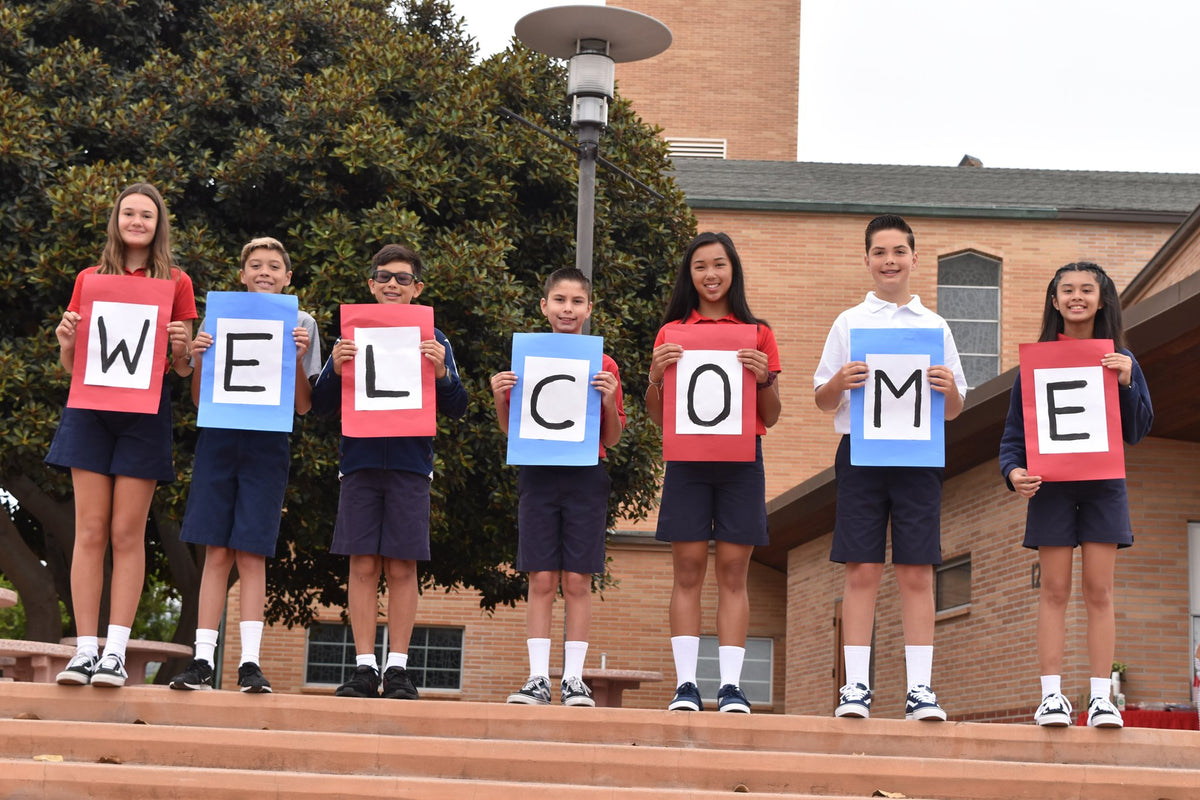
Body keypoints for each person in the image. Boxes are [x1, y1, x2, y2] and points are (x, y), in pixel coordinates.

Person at [813, 214, 966, 721]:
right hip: (861, 454)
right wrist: (840, 381)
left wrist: (949, 391)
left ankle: (920, 689)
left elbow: (954, 407)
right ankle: (855, 687)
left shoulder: (935, 325)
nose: (890, 261)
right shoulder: (848, 322)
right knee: (862, 569)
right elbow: (820, 398)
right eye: (880, 252)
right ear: (867, 260)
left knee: (917, 570)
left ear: (914, 259)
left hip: (918, 456)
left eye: (899, 251)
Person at [49, 183, 197, 688]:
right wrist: (66, 342)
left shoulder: (177, 281)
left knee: (127, 533)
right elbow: (74, 366)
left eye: (147, 215)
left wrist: (184, 348)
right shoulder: (89, 279)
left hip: (144, 412)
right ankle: (84, 650)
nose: (137, 221)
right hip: (89, 411)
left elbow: (179, 371)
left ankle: (115, 651)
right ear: (116, 220)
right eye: (129, 213)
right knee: (89, 530)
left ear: (159, 225)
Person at [999, 262, 1152, 729]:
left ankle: (1102, 699)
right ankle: (1051, 697)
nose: (1077, 297)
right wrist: (1014, 473)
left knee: (1099, 591)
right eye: (1067, 290)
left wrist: (1126, 383)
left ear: (1103, 300)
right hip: (1051, 489)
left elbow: (1138, 429)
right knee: (1054, 590)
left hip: (1104, 487)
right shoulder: (1036, 361)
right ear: (1054, 300)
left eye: (1087, 289)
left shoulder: (1121, 358)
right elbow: (1012, 437)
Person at [311, 243, 468, 700]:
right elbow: (319, 408)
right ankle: (364, 666)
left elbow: (458, 408)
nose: (393, 284)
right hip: (358, 462)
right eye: (384, 277)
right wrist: (334, 369)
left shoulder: (435, 338)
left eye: (402, 278)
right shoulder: (350, 336)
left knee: (402, 565)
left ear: (418, 288)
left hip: (410, 466)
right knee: (361, 563)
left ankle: (397, 667)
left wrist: (442, 374)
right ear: (370, 285)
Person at [169, 237, 321, 693]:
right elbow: (199, 399)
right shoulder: (220, 315)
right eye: (255, 265)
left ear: (288, 277)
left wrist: (296, 358)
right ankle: (201, 660)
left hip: (268, 443)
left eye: (274, 266)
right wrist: (197, 358)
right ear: (241, 273)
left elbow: (304, 407)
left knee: (252, 552)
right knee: (216, 551)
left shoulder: (302, 322)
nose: (264, 272)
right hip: (219, 439)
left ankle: (249, 663)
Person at [645, 231, 782, 714]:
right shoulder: (671, 332)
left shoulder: (757, 332)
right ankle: (686, 685)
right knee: (687, 571)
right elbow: (657, 414)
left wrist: (764, 375)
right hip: (687, 462)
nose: (710, 274)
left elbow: (772, 414)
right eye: (700, 266)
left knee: (732, 572)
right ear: (689, 275)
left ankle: (730, 687)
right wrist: (656, 376)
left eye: (719, 265)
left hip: (742, 462)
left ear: (732, 271)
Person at [490, 267, 626, 707]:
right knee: (542, 576)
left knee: (577, 579)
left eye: (577, 301)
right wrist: (498, 395)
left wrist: (608, 400)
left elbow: (611, 438)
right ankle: (536, 679)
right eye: (560, 300)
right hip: (538, 473)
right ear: (544, 305)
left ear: (590, 308)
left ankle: (573, 679)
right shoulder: (525, 357)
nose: (568, 309)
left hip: (587, 473)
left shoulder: (604, 363)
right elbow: (512, 430)